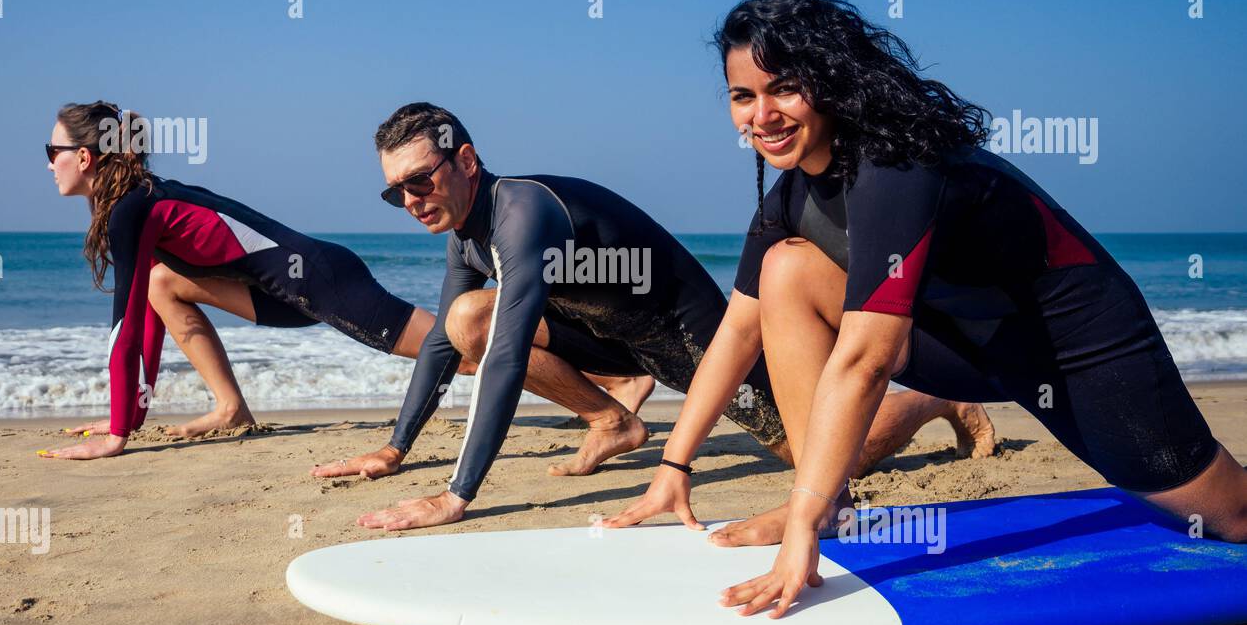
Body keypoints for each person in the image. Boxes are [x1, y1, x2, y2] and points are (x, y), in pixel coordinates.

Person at [627, 0, 1246, 619]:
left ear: (832, 84)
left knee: (1229, 517)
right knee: (787, 270)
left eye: (783, 88)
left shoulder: (897, 167)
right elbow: (737, 333)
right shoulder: (791, 197)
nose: (762, 115)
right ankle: (826, 500)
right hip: (964, 345)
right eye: (743, 96)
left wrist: (800, 535)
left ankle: (816, 508)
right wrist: (675, 466)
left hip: (1077, 349)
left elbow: (868, 359)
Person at [326, 102, 989, 531]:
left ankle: (936, 399)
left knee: (840, 459)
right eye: (395, 192)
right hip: (612, 343)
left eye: (420, 180)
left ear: (464, 160)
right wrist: (394, 448)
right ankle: (613, 419)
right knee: (466, 317)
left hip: (685, 337)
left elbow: (506, 355)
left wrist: (456, 496)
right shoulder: (465, 236)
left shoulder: (521, 215)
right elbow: (451, 345)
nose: (410, 199)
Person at [38, 100, 455, 460]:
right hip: (279, 293)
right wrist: (124, 418)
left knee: (459, 350)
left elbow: (124, 327)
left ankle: (519, 352)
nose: (48, 163)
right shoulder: (138, 201)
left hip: (319, 280)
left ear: (84, 157)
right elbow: (144, 315)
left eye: (52, 151)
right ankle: (229, 406)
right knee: (161, 283)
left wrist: (116, 437)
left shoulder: (132, 208)